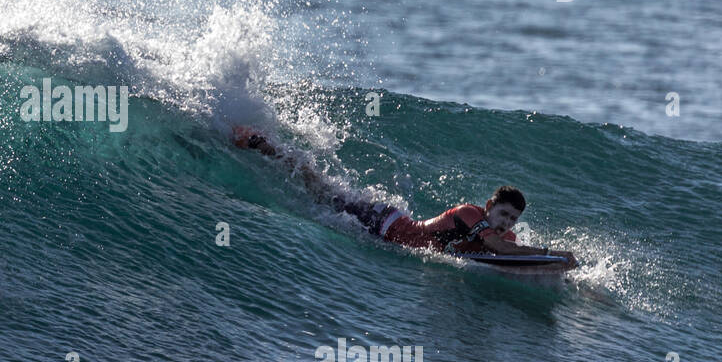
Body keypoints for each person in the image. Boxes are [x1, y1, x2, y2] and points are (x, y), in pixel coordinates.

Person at [232, 126, 578, 269]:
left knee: (320, 191)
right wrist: (553, 255)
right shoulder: (471, 215)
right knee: (317, 190)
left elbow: (508, 253)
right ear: (489, 207)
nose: (507, 223)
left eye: (513, 220)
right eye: (503, 214)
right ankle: (263, 144)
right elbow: (503, 252)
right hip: (380, 223)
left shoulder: (506, 238)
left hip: (392, 227)